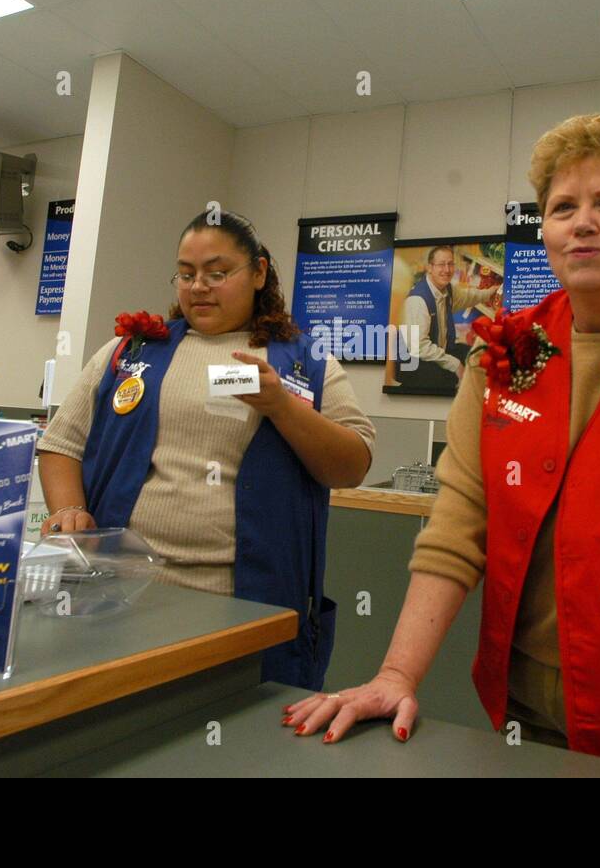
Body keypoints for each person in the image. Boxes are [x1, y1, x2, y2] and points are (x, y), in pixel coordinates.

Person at [281, 113, 600, 754]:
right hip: (523, 707)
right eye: (562, 206)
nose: (582, 221)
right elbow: (460, 519)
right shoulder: (509, 345)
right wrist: (396, 674)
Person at [37, 210, 376, 690]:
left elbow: (351, 466)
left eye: (218, 273)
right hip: (119, 594)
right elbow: (61, 443)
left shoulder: (307, 361)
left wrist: (282, 406)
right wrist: (69, 508)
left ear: (258, 273)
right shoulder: (129, 351)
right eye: (187, 273)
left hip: (241, 604)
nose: (199, 287)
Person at [395, 245, 499, 392]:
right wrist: (454, 364)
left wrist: (491, 292)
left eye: (450, 264)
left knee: (474, 355)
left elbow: (468, 297)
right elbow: (418, 347)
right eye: (441, 264)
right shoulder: (418, 300)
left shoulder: (446, 289)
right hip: (412, 361)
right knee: (448, 380)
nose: (447, 269)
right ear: (430, 267)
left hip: (437, 350)